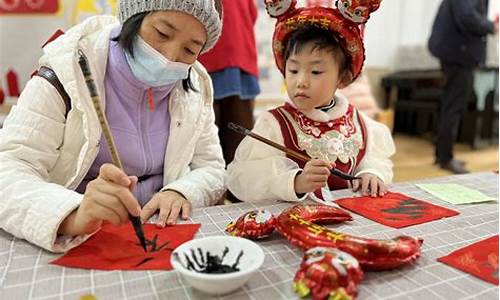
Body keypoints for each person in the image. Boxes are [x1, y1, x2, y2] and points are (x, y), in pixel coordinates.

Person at [0, 0, 225, 252]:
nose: (170, 57)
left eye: (190, 50)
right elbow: (8, 170)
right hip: (83, 240)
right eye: (162, 33)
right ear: (132, 19)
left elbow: (212, 166)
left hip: (162, 236)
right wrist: (72, 213)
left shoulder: (195, 87)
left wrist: (183, 191)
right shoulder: (66, 73)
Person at [227, 0, 395, 204]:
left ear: (342, 78)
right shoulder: (274, 124)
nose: (301, 82)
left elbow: (374, 158)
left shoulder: (358, 123)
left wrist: (371, 173)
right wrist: (295, 181)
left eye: (315, 71)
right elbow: (242, 178)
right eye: (293, 70)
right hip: (293, 223)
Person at [428, 0, 498, 174]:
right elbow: (467, 17)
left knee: (449, 105)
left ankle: (443, 155)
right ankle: (446, 158)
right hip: (459, 55)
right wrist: (492, 26)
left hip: (456, 54)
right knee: (453, 106)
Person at [198, 0, 260, 165]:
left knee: (211, 150)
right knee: (237, 148)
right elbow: (251, 15)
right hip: (234, 61)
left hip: (216, 62)